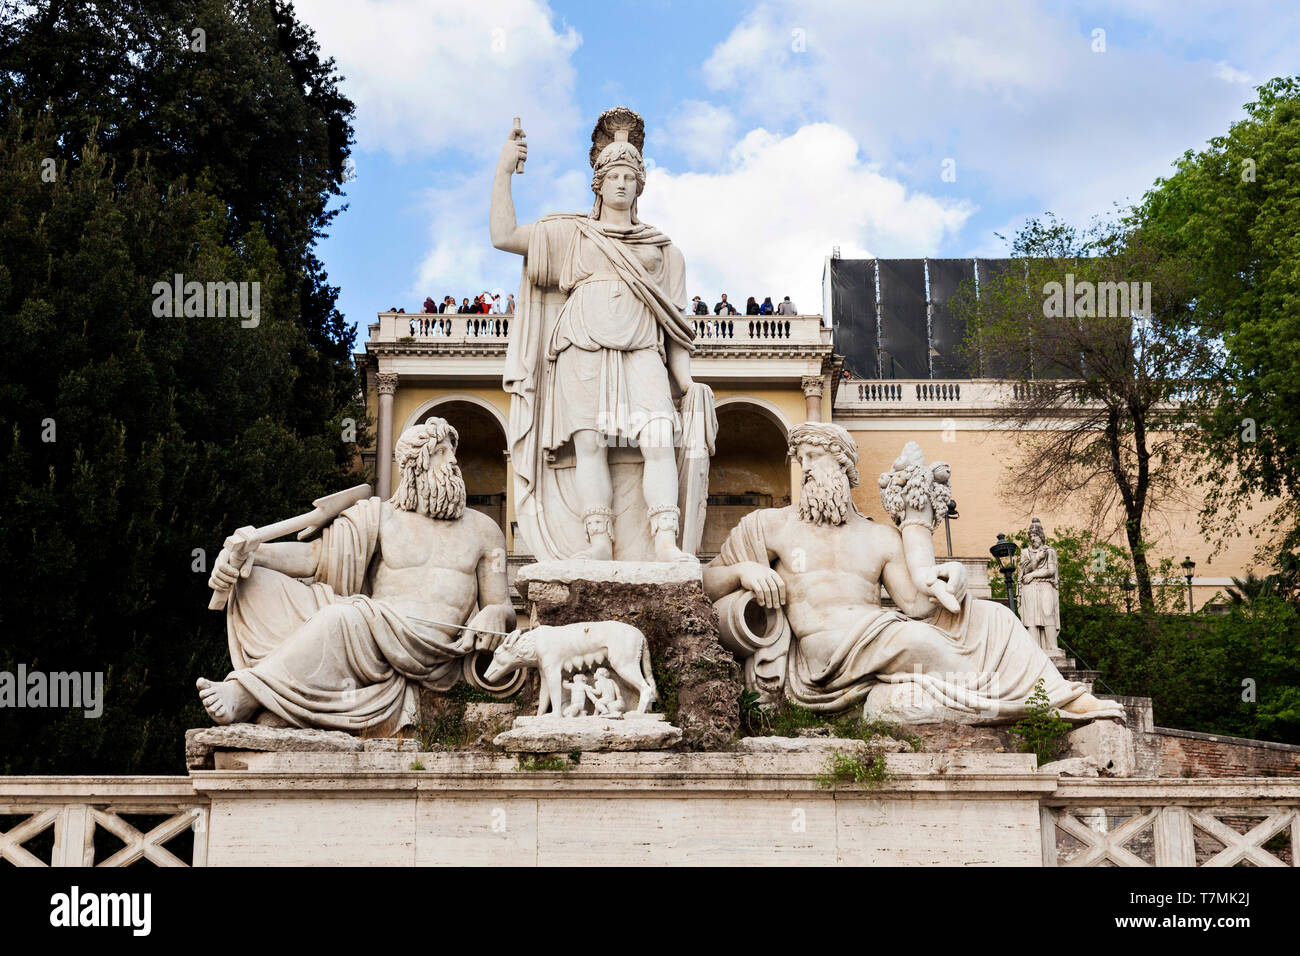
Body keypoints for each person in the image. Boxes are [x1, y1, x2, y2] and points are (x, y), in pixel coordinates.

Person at [703, 423, 1125, 723]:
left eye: (813, 457)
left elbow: (916, 603)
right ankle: (1040, 704)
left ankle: (1054, 697)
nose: (806, 468)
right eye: (801, 460)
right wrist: (742, 571)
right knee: (914, 638)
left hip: (881, 633)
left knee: (997, 617)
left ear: (843, 466)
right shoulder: (770, 525)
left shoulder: (880, 538)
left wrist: (951, 574)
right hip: (823, 654)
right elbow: (706, 583)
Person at [198, 419, 516, 733]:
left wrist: (494, 614)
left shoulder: (484, 529)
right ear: (416, 464)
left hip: (435, 649)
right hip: (374, 634)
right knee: (258, 582)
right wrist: (254, 553)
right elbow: (314, 558)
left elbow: (503, 607)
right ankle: (279, 697)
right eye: (443, 452)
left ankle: (246, 694)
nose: (454, 461)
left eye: (452, 452)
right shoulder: (379, 517)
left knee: (341, 617)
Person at [493, 107, 705, 563]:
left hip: (642, 345)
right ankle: (598, 541)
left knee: (657, 437)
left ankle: (664, 539)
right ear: (599, 182)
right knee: (590, 444)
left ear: (640, 185)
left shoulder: (663, 249)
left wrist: (685, 382)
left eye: (631, 176)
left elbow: (675, 328)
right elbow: (504, 235)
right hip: (581, 344)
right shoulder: (572, 234)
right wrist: (504, 168)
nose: (623, 184)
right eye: (615, 176)